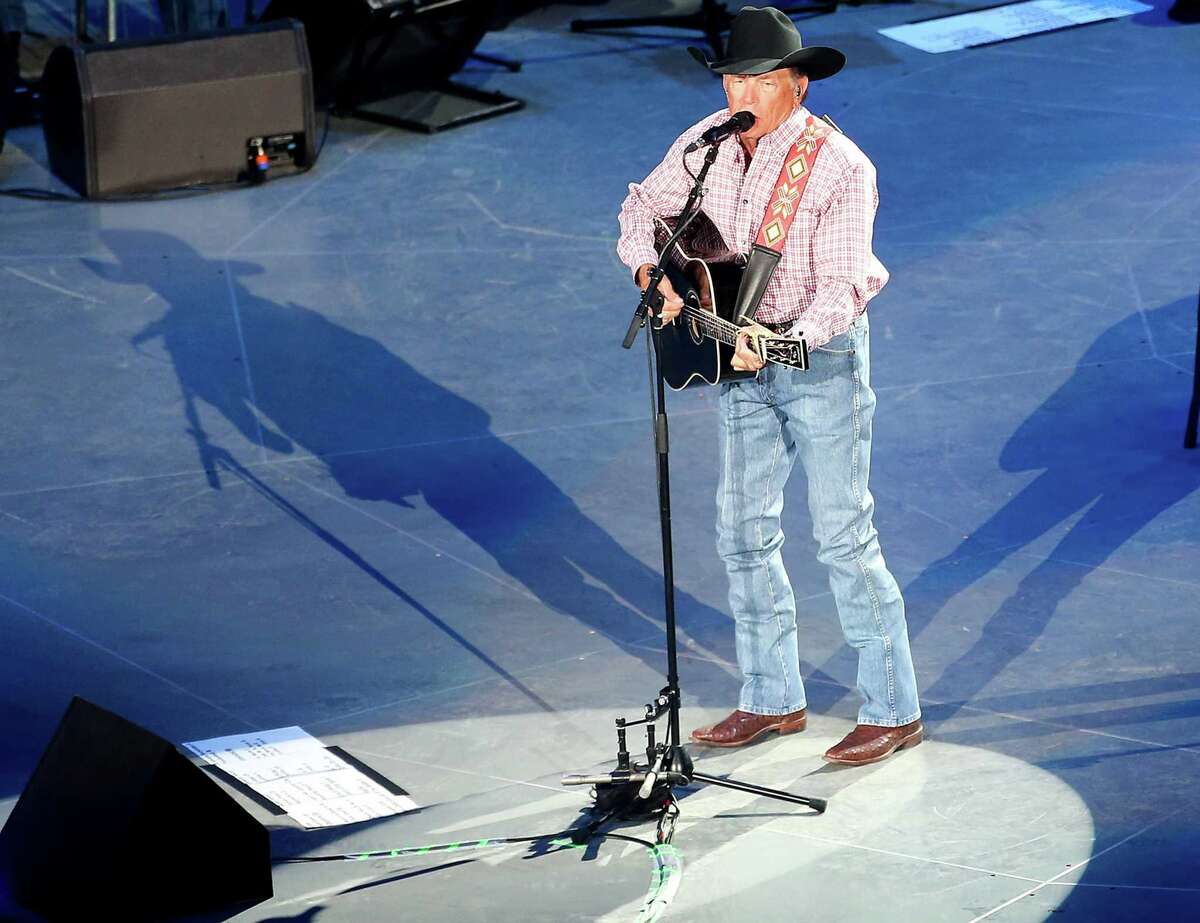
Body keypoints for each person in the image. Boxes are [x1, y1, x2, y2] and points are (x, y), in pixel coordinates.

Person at [616, 6, 921, 766]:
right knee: (742, 530)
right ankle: (771, 695)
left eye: (754, 78)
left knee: (845, 535)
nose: (736, 90)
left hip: (819, 363)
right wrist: (650, 272)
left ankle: (893, 709)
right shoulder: (707, 144)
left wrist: (784, 342)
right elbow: (639, 205)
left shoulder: (840, 167)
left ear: (797, 84)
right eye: (729, 75)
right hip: (737, 362)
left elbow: (849, 284)